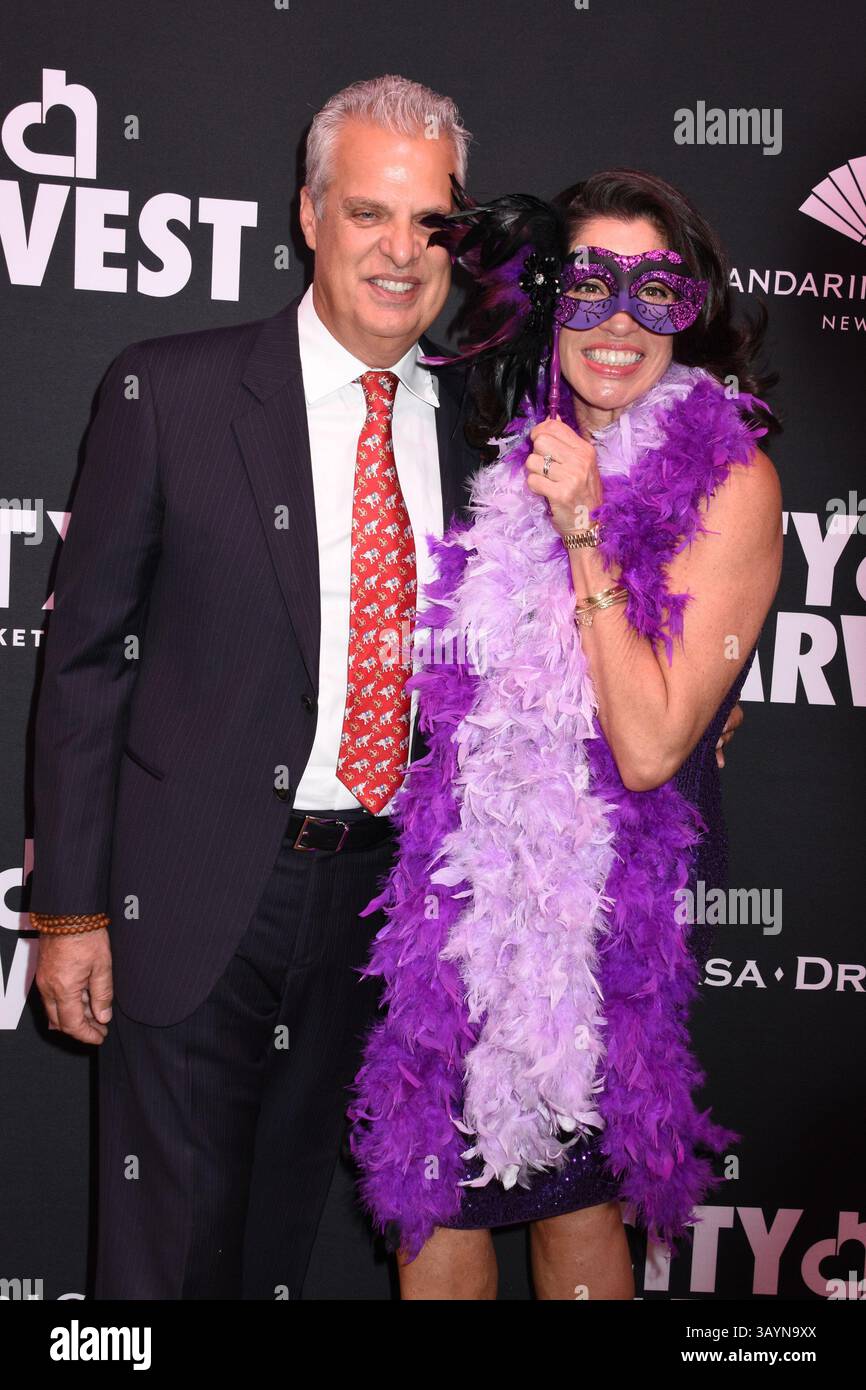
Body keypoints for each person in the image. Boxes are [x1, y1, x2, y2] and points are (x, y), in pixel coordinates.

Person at [29, 73, 484, 1300]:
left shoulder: (479, 430)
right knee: (158, 1267)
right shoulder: (166, 392)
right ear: (307, 216)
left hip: (383, 916)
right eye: (367, 214)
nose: (399, 252)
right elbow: (80, 665)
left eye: (429, 222)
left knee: (280, 1255)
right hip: (191, 896)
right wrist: (67, 908)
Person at [349, 168, 783, 1300]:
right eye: (588, 287)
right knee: (427, 1187)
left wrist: (584, 530)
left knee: (574, 1202)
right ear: (547, 301)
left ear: (692, 311)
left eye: (655, 293)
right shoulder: (513, 449)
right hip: (471, 872)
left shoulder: (728, 479)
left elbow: (643, 747)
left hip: (606, 892)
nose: (618, 324)